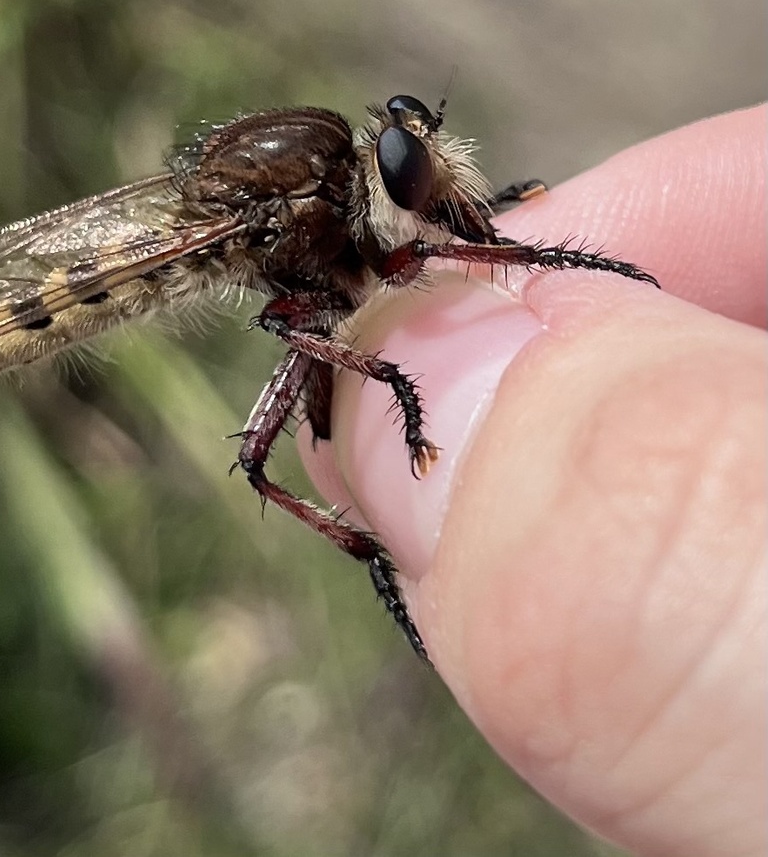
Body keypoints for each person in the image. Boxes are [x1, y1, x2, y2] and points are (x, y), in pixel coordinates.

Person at [303, 106, 766, 857]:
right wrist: (403, 387)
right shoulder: (316, 213)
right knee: (260, 454)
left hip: (323, 331)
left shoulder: (352, 197)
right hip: (305, 325)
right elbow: (302, 315)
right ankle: (376, 553)